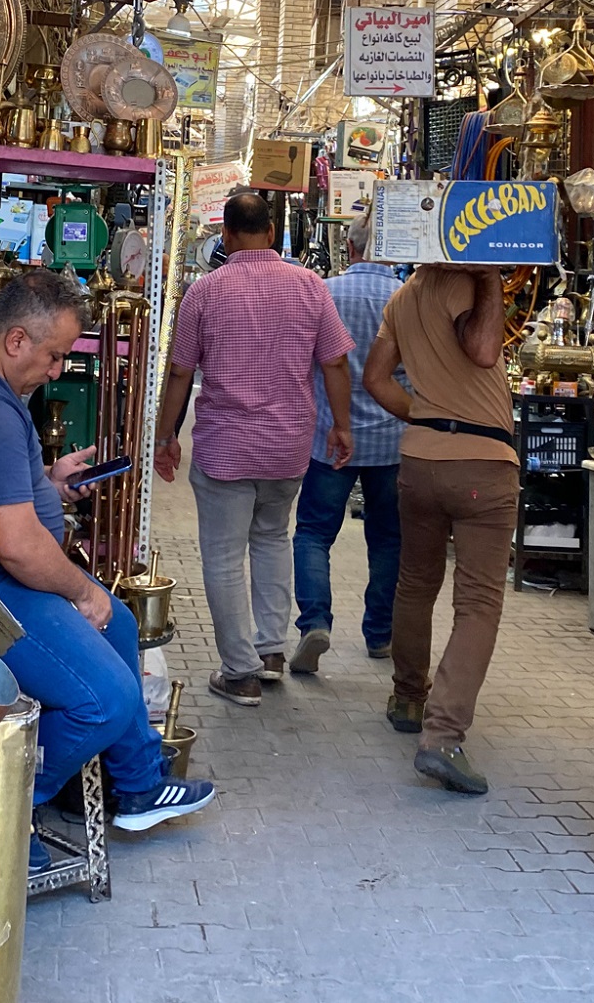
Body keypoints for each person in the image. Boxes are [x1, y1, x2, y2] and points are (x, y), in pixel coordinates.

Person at [0, 271, 215, 869]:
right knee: (106, 697)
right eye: (54, 355)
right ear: (15, 341)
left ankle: (138, 784)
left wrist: (46, 485)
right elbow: (14, 546)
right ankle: (5, 813)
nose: (58, 371)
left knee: (117, 625)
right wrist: (80, 586)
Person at [155, 191, 355, 707]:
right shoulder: (310, 286)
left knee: (223, 557)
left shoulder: (205, 292)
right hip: (288, 447)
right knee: (272, 540)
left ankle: (239, 672)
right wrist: (342, 426)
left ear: (225, 236)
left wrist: (165, 434)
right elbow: (335, 363)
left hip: (226, 449)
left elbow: (180, 372)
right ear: (271, 233)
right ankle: (270, 652)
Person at [360, 261, 517, 795]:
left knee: (416, 582)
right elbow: (484, 350)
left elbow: (375, 378)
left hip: (419, 461)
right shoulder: (471, 281)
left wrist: (428, 418)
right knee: (478, 602)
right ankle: (443, 735)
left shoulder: (404, 296)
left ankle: (408, 697)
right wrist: (491, 279)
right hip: (483, 462)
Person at [289, 216, 406, 673]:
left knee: (315, 533)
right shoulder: (405, 299)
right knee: (388, 539)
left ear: (352, 250)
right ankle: (380, 634)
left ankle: (315, 621)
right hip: (393, 439)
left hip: (330, 438)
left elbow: (306, 361)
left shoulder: (325, 292)